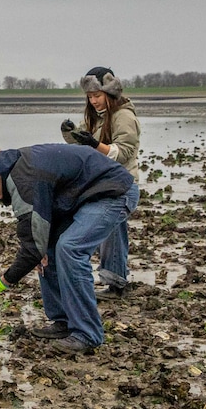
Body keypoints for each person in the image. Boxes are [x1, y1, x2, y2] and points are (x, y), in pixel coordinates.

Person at [0, 144, 138, 355]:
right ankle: (63, 321)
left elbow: (30, 248)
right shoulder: (19, 171)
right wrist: (41, 248)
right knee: (48, 250)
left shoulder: (23, 179)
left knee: (70, 249)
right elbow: (38, 235)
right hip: (84, 197)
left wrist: (2, 283)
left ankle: (87, 334)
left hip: (113, 193)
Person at [59, 67, 140, 298]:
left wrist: (94, 145)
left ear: (109, 93)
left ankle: (102, 284)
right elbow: (80, 144)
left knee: (85, 237)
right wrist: (69, 133)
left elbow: (123, 152)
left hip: (123, 187)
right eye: (89, 97)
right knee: (114, 230)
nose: (93, 101)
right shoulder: (98, 117)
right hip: (105, 186)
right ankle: (116, 283)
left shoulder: (124, 116)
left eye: (97, 95)